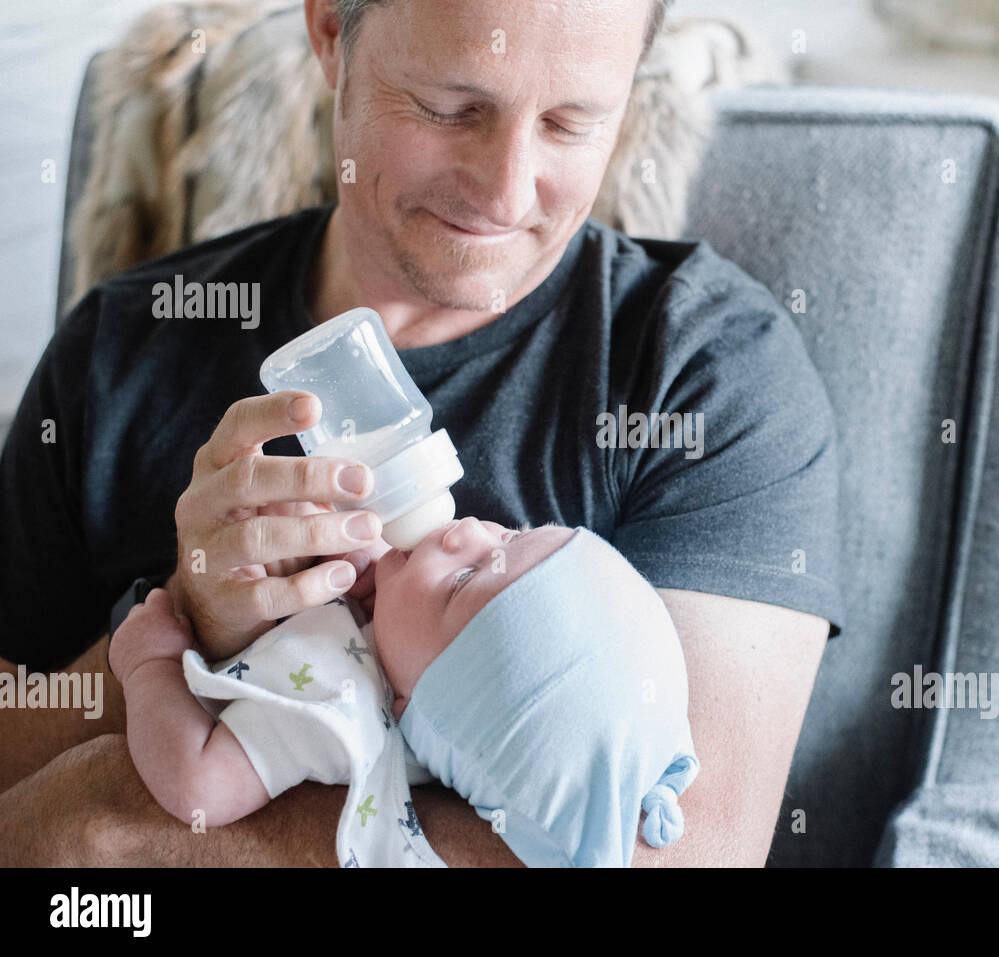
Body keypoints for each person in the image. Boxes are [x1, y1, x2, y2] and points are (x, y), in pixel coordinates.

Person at [0, 0, 843, 866]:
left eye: (571, 122)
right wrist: (190, 616)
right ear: (330, 30)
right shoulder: (123, 345)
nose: (506, 193)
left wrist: (119, 830)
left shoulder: (704, 375)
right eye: (449, 107)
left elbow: (681, 853)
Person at [110, 519, 700, 867]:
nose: (469, 530)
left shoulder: (339, 711)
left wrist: (150, 664)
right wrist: (374, 592)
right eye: (511, 535)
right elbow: (396, 639)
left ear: (410, 709)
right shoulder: (402, 657)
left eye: (465, 581)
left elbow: (200, 788)